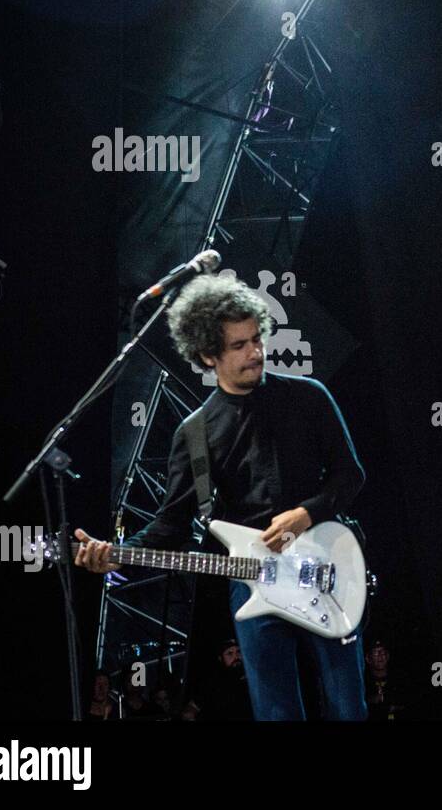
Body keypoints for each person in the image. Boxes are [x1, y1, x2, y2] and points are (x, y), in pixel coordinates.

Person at [74, 273, 368, 720]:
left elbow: (351, 476)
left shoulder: (309, 396)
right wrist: (118, 555)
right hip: (253, 582)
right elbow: (170, 527)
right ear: (208, 355)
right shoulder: (194, 434)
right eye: (239, 346)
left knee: (348, 710)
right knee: (276, 714)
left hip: (325, 563)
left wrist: (305, 515)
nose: (256, 352)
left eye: (256, 339)